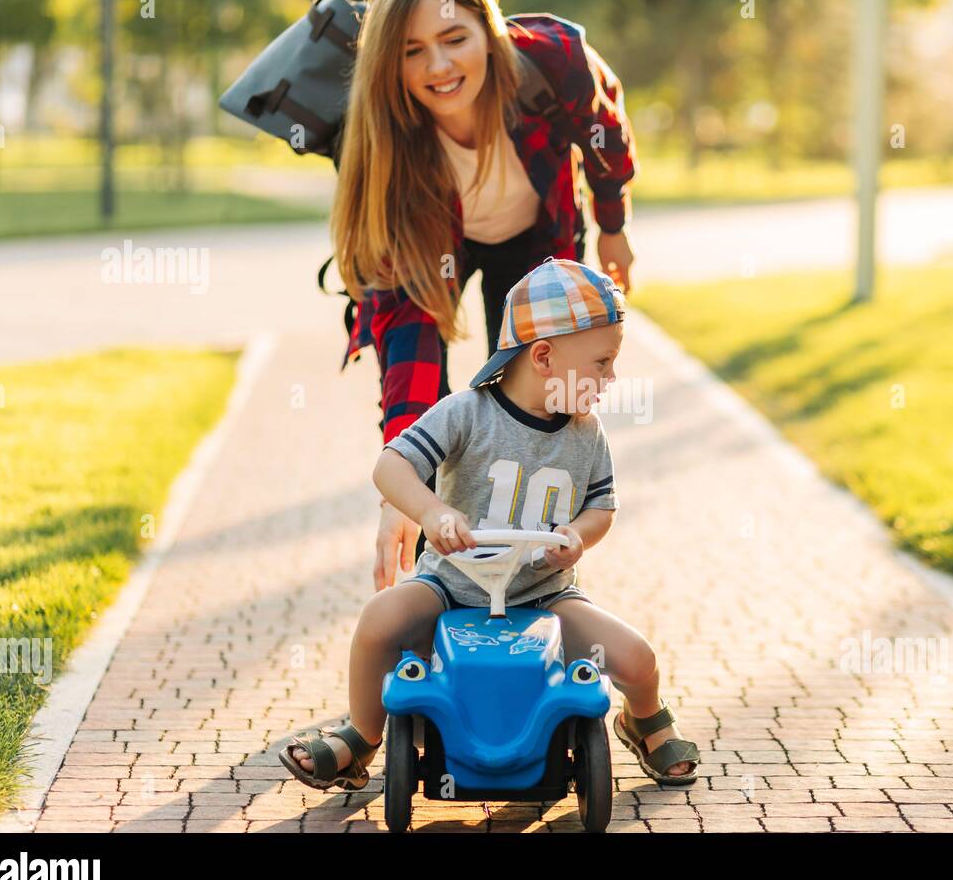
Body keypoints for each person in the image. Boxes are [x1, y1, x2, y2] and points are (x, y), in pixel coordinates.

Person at [279, 259, 700, 790]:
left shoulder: (587, 434)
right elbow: (391, 466)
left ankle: (644, 720)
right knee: (380, 620)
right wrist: (432, 512)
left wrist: (579, 536)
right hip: (452, 587)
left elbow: (601, 508)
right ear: (544, 356)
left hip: (545, 595)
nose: (611, 378)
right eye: (602, 362)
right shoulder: (466, 414)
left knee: (637, 660)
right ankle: (362, 735)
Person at [327, 0, 639, 593]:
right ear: (390, 63)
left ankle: (531, 574)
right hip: (440, 236)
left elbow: (603, 134)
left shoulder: (552, 62)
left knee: (535, 391)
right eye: (412, 51)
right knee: (446, 416)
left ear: (488, 30)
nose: (438, 66)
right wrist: (405, 494)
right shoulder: (389, 145)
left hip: (536, 236)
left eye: (453, 38)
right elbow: (406, 332)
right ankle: (450, 574)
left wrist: (612, 225)